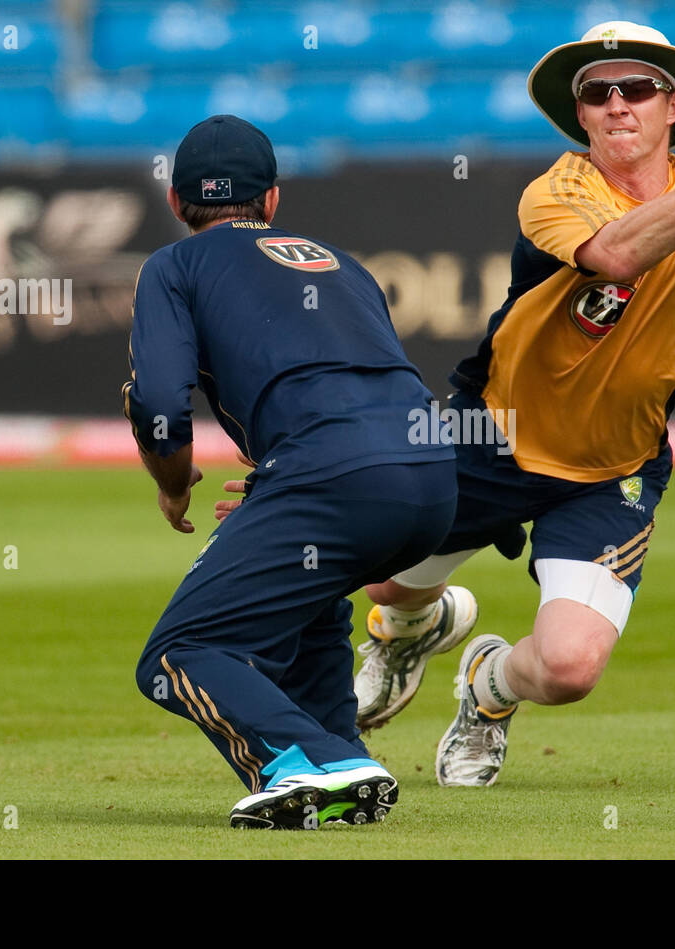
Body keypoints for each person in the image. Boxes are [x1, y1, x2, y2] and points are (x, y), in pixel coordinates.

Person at [350, 21, 675, 786]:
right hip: (494, 429)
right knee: (384, 581)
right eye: (596, 93)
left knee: (570, 667)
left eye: (635, 88)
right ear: (581, 116)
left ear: (672, 105)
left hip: (614, 462)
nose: (615, 104)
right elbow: (616, 253)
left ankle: (486, 685)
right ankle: (411, 630)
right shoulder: (557, 190)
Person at [125, 115, 456, 827]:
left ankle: (299, 757)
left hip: (332, 470)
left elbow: (157, 402)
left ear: (178, 204)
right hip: (433, 473)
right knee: (309, 591)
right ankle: (342, 755)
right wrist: (286, 480)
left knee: (178, 653)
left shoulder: (173, 266)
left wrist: (173, 481)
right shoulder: (345, 264)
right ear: (272, 201)